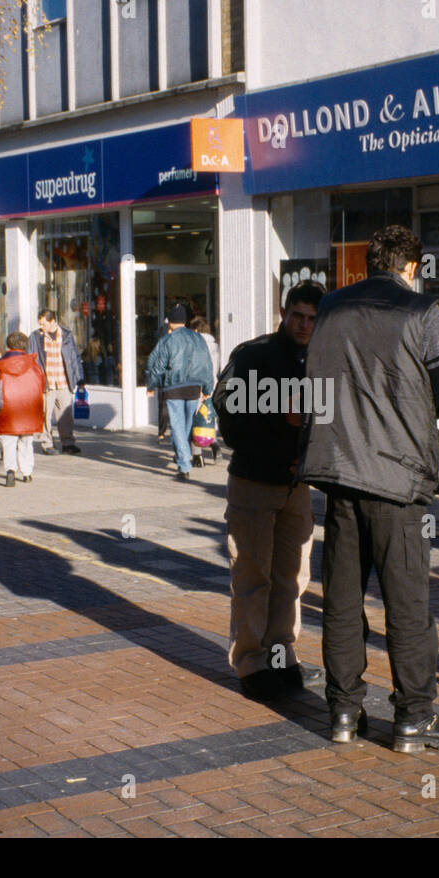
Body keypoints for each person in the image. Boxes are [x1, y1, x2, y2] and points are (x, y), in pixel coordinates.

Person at [298, 225, 439, 753]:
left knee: (343, 601)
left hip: (340, 471)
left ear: (371, 263)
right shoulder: (422, 313)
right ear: (412, 268)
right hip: (398, 478)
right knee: (407, 602)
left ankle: (344, 712)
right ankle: (414, 716)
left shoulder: (330, 307)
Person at [213, 283, 324, 702]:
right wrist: (281, 420)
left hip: (297, 485)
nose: (305, 325)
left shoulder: (321, 357)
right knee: (252, 575)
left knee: (292, 578)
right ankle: (251, 662)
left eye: (313, 318)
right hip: (255, 483)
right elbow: (229, 419)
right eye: (299, 315)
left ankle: (282, 656)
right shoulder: (254, 354)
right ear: (284, 311)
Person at [145, 304, 213, 481]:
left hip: (173, 387)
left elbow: (157, 365)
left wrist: (151, 385)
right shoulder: (198, 339)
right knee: (186, 426)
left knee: (177, 427)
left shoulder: (167, 340)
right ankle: (182, 456)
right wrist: (207, 388)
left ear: (170, 322)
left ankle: (184, 464)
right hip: (193, 388)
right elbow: (207, 364)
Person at [0, 331, 46, 487]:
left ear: (8, 345)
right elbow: (41, 386)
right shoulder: (34, 366)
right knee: (26, 441)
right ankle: (27, 472)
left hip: (6, 410)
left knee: (9, 443)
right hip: (28, 410)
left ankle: (10, 470)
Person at [28, 310, 84, 456]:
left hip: (64, 381)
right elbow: (31, 360)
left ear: (52, 321)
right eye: (40, 324)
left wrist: (80, 378)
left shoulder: (66, 334)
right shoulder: (35, 337)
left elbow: (75, 357)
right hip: (47, 383)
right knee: (45, 415)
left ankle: (68, 443)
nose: (41, 327)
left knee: (65, 415)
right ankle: (47, 444)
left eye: (44, 323)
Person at [189, 315, 221, 467]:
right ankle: (215, 446)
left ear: (196, 329)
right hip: (213, 385)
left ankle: (197, 457)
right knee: (208, 419)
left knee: (196, 421)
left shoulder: (195, 345)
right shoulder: (215, 345)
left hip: (198, 387)